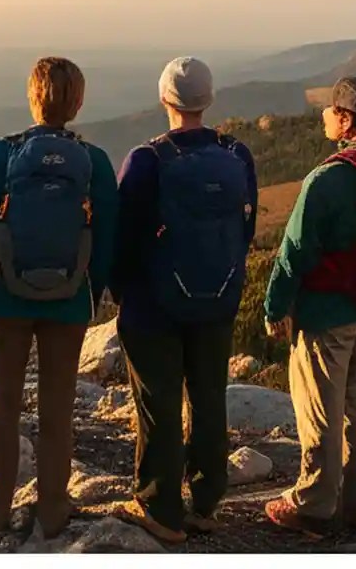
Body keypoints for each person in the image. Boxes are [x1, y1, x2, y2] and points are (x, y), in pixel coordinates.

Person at [0, 57, 119, 542]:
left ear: (32, 98)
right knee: (57, 407)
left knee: (4, 406)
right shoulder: (92, 160)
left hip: (8, 296)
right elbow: (108, 234)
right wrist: (91, 290)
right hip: (69, 300)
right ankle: (53, 509)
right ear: (76, 102)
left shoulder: (1, 153)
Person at [111, 57, 258, 543]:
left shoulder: (147, 159)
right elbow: (245, 227)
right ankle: (208, 501)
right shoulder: (237, 154)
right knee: (210, 396)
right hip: (217, 297)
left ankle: (162, 510)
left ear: (164, 100)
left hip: (154, 305)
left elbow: (123, 237)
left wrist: (123, 293)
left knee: (160, 404)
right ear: (208, 100)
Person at [261, 78, 356, 536]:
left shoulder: (330, 177)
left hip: (329, 315)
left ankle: (313, 505)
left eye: (330, 110)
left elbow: (296, 251)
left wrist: (274, 306)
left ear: (345, 120)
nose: (323, 115)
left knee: (321, 410)